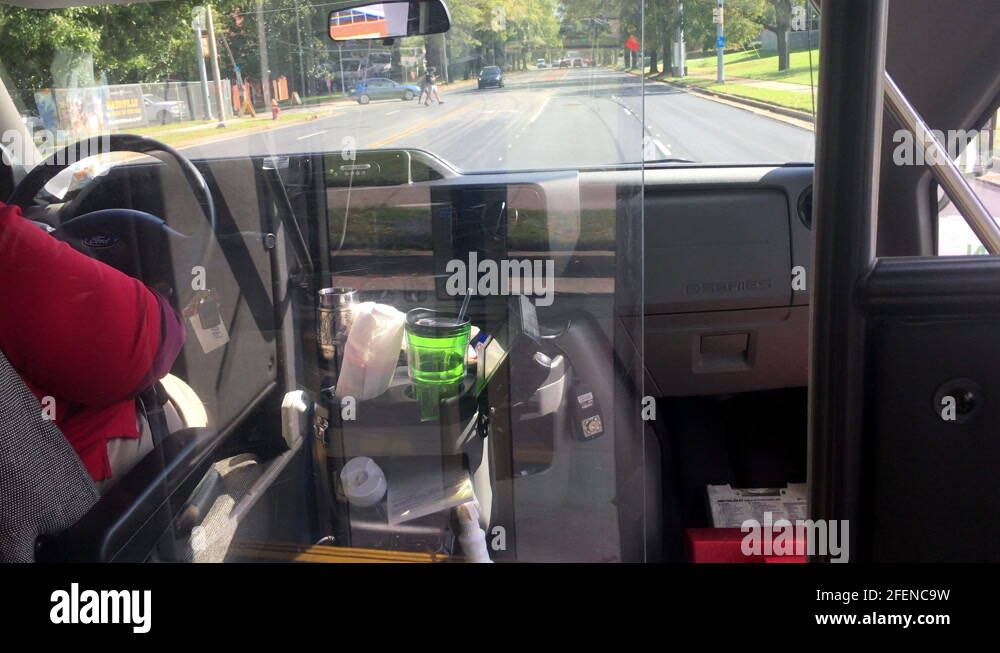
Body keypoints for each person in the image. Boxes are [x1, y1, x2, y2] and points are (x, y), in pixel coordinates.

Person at [0, 202, 184, 490]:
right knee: (175, 408)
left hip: (20, 441)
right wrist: (164, 307)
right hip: (28, 485)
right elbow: (148, 343)